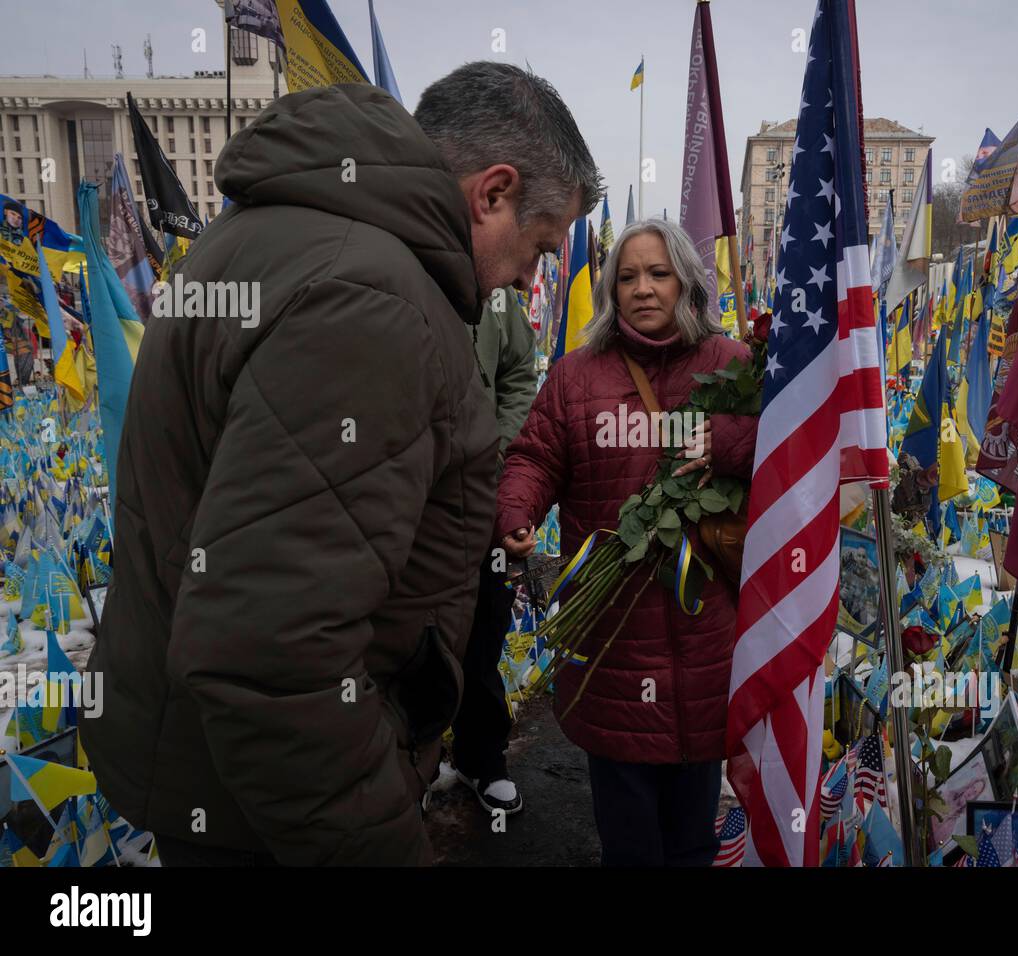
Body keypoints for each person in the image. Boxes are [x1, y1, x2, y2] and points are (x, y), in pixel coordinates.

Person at [81, 64, 601, 866]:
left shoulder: (276, 233)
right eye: (539, 246)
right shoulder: (373, 300)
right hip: (268, 816)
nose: (534, 278)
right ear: (492, 193)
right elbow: (272, 652)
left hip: (204, 771)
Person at [496, 219, 757, 866]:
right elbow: (533, 456)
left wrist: (722, 443)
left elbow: (792, 447)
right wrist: (516, 508)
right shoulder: (576, 376)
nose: (643, 288)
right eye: (628, 276)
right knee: (629, 837)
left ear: (686, 283)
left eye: (658, 273)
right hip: (610, 635)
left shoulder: (734, 367)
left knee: (692, 835)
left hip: (703, 635)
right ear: (612, 290)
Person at [452, 288, 538, 816]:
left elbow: (519, 377)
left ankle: (480, 757)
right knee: (407, 638)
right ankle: (407, 769)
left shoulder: (500, 299)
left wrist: (495, 451)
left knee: (485, 632)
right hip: (406, 499)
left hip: (483, 500)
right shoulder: (392, 266)